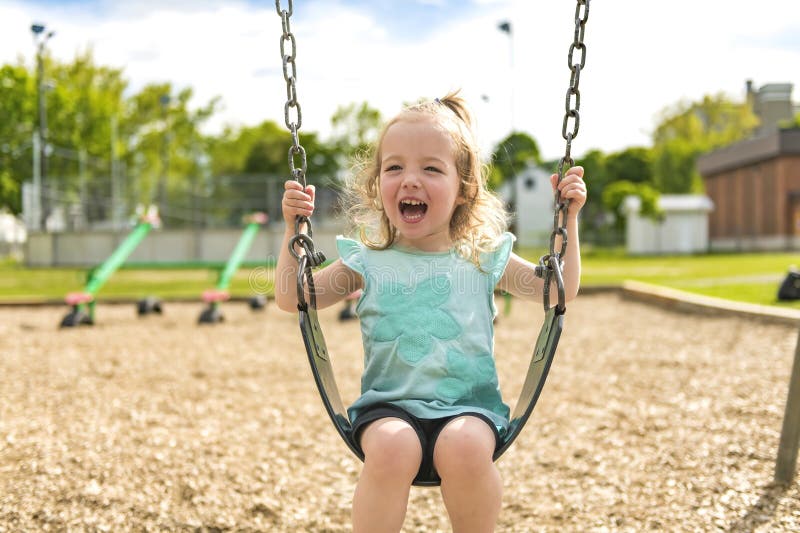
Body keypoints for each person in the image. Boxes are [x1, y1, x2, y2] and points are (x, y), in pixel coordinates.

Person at [275, 91, 586, 533]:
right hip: (387, 408)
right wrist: (292, 231)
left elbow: (557, 293)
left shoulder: (481, 258)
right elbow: (294, 297)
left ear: (464, 191)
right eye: (394, 167)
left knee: (463, 448)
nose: (410, 180)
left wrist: (569, 220)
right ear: (376, 184)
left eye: (431, 169)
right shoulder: (367, 261)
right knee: (392, 448)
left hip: (468, 408)